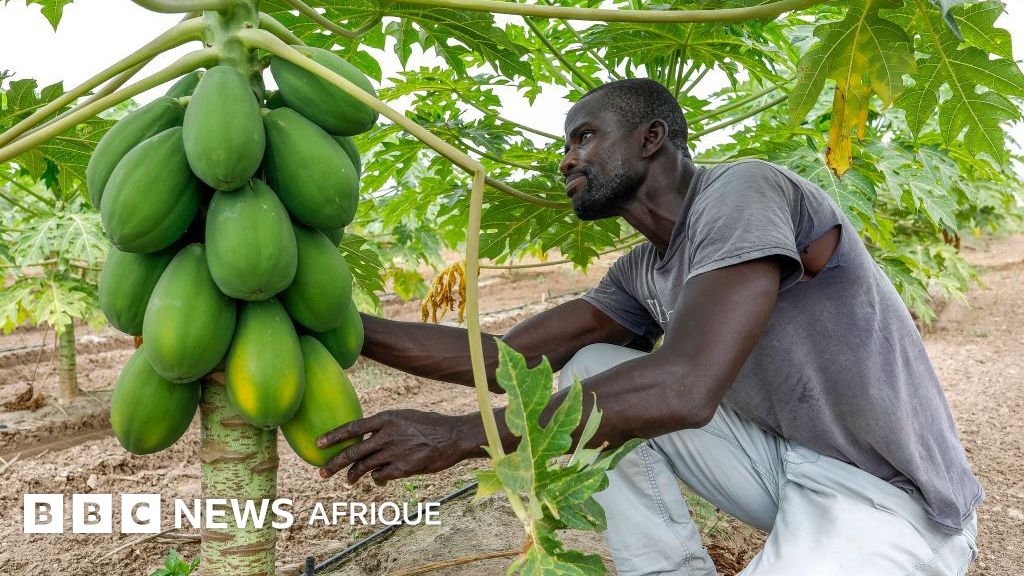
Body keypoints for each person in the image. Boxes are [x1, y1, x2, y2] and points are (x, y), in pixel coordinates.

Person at [315, 78, 983, 575]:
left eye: (584, 137)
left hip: (889, 500)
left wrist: (464, 436)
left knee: (634, 386)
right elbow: (506, 360)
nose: (566, 160)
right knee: (588, 368)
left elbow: (686, 387)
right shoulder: (642, 270)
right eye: (565, 146)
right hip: (788, 469)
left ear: (651, 137)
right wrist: (333, 324)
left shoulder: (743, 191)